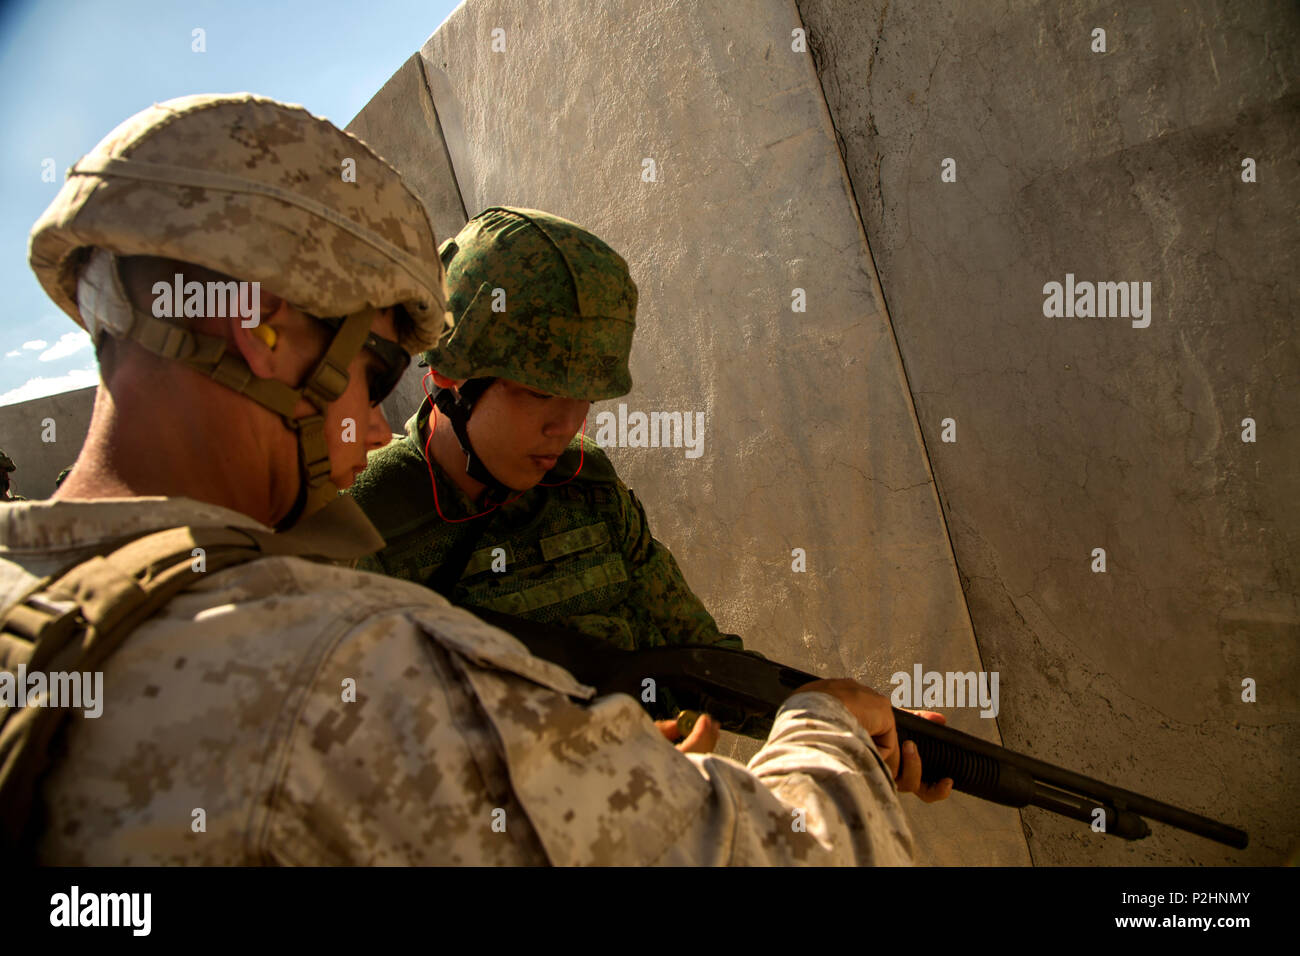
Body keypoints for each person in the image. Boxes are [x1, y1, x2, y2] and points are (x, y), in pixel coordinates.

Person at [0, 93, 949, 866]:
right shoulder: (349, 643)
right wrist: (825, 738)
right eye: (372, 368)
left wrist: (810, 718)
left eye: (586, 400)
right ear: (261, 329)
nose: (371, 423)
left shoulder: (39, 601)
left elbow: (696, 655)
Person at [348, 207, 761, 743]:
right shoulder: (366, 524)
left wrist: (831, 716)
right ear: (453, 376)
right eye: (540, 392)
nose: (566, 426)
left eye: (585, 394)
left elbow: (699, 660)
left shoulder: (586, 483)